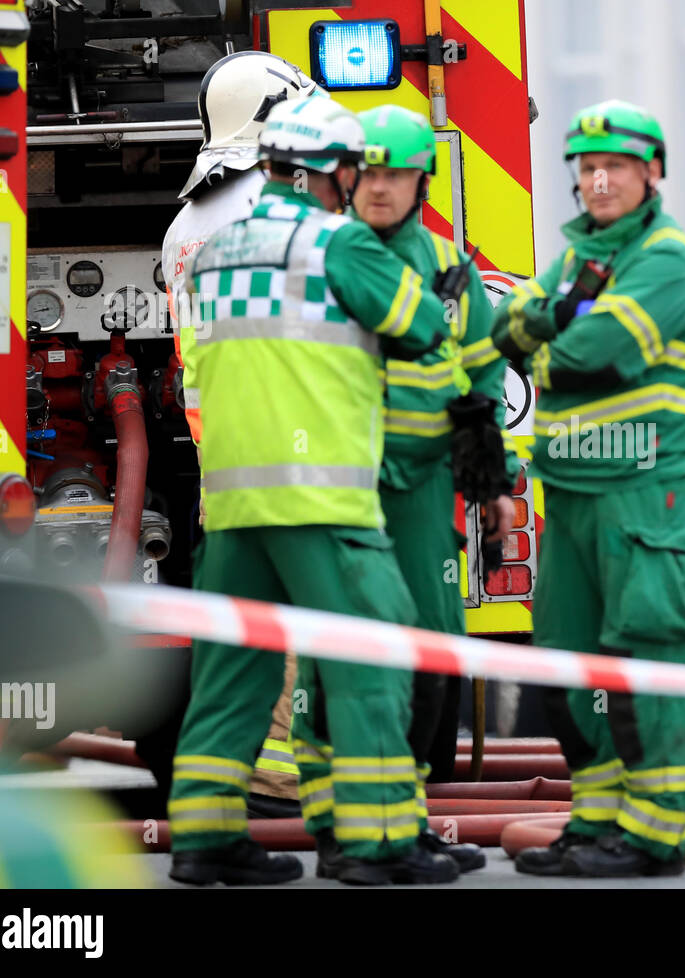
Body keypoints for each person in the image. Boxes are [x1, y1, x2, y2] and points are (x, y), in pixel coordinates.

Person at [167, 97, 457, 886]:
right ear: (333, 173)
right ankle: (373, 846)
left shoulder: (217, 247)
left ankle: (203, 842)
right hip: (320, 500)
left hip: (231, 507)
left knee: (232, 674)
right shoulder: (339, 244)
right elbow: (424, 324)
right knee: (372, 661)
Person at [491, 100, 685, 878]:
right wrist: (547, 323)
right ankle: (596, 820)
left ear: (650, 172)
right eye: (587, 168)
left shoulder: (669, 260)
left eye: (615, 166)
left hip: (646, 490)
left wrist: (544, 342)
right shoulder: (574, 259)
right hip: (573, 489)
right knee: (568, 661)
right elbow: (505, 326)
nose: (598, 181)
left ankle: (653, 836)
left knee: (645, 658)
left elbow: (591, 351)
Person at [341, 102, 522, 875]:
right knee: (356, 653)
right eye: (368, 171)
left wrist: (490, 474)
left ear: (422, 179)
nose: (379, 187)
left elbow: (481, 367)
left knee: (433, 643)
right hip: (346, 479)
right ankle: (357, 831)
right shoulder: (330, 256)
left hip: (424, 484)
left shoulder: (446, 266)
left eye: (396, 173)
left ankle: (404, 813)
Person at [160, 51, 324, 816]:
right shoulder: (281, 205)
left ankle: (219, 785)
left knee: (238, 624)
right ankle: (279, 783)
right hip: (287, 449)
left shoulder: (186, 223)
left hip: (220, 455)